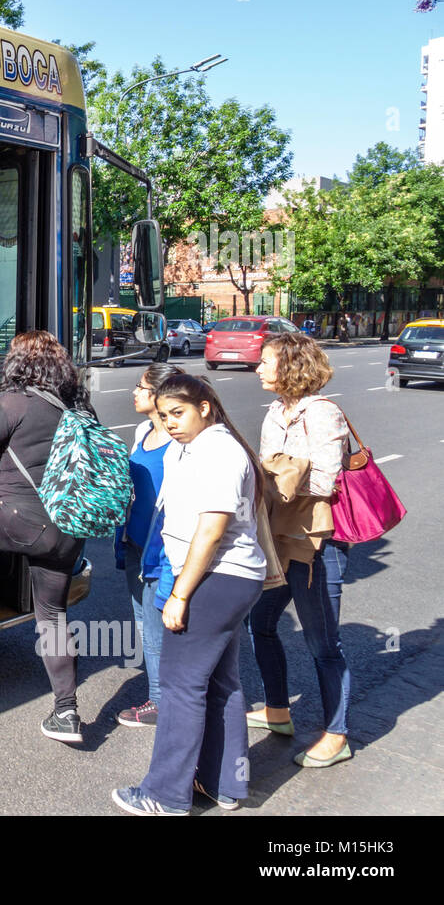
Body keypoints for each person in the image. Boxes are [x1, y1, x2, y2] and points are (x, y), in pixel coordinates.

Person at [112, 374, 266, 814]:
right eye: (164, 415)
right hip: (226, 578)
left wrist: (179, 594)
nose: (171, 423)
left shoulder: (217, 452)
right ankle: (225, 785)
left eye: (178, 413)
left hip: (214, 578)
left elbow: (211, 530)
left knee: (181, 688)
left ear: (205, 407)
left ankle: (165, 795)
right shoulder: (196, 447)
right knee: (220, 682)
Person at [0, 330, 89, 744]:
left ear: (18, 364)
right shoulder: (76, 404)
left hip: (18, 524)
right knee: (53, 618)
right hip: (70, 526)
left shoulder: (11, 402)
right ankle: (66, 712)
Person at [248, 332, 353, 767]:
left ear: (290, 366)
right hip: (278, 535)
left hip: (316, 543)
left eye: (266, 361)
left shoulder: (323, 413)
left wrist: (275, 476)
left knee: (322, 643)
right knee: (262, 623)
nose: (258, 368)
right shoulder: (276, 410)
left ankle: (338, 734)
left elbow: (325, 481)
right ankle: (278, 711)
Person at [113, 362, 182, 728]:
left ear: (160, 395)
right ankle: (163, 696)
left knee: (156, 633)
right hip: (135, 544)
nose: (135, 393)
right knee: (143, 623)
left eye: (141, 387)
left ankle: (160, 702)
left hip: (161, 553)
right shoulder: (143, 431)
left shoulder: (179, 443)